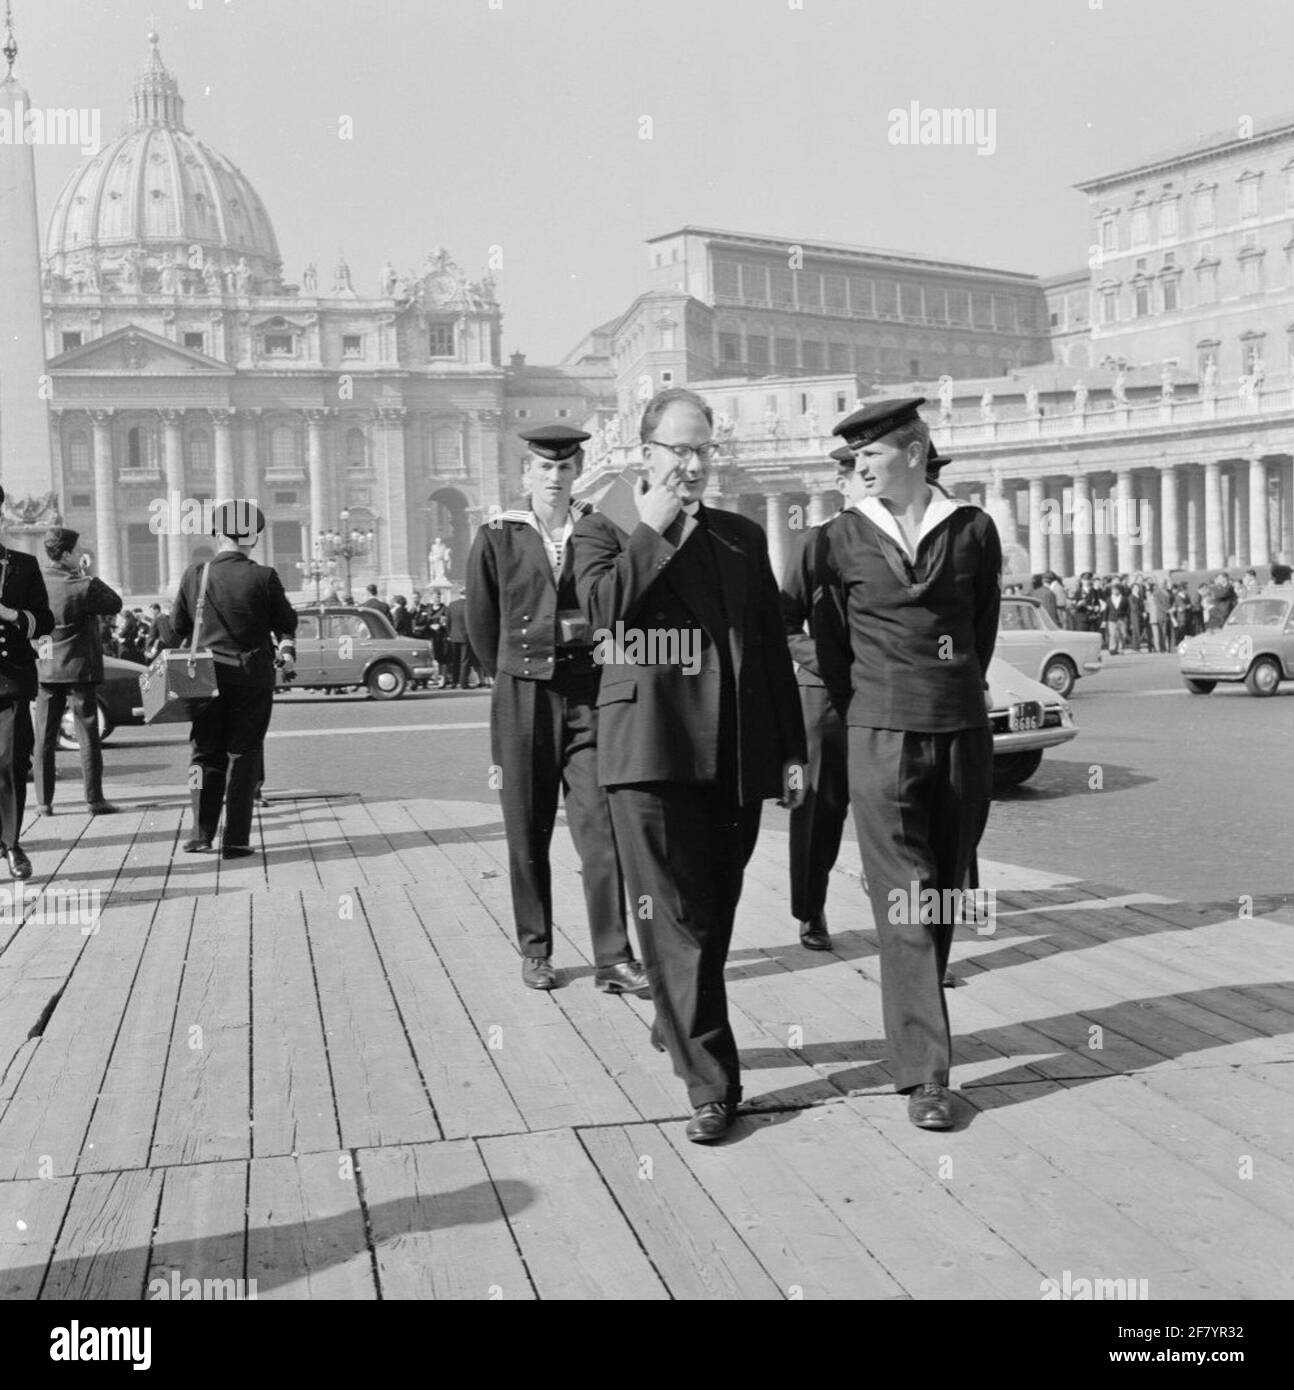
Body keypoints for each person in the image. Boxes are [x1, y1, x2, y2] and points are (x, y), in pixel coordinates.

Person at [571, 387, 806, 1144]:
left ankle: (678, 1019)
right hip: (648, 752)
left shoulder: (739, 536)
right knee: (673, 924)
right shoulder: (604, 530)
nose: (695, 465)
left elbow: (769, 651)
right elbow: (606, 613)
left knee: (713, 913)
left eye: (705, 450)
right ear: (647, 456)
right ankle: (713, 1086)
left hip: (732, 757)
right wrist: (656, 524)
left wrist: (793, 751)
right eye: (680, 451)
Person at [813, 398, 1001, 1132]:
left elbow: (979, 628)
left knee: (947, 889)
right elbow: (825, 636)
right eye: (854, 454)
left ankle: (918, 1038)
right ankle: (926, 1075)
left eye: (872, 452)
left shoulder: (972, 530)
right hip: (880, 735)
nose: (859, 464)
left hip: (959, 732)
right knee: (907, 900)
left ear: (916, 452)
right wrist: (868, 702)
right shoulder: (837, 538)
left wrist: (950, 685)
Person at [466, 424, 647, 996]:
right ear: (527, 473)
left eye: (565, 468)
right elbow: (481, 625)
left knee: (602, 829)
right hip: (524, 695)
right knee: (528, 828)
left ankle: (613, 957)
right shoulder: (498, 535)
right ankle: (536, 949)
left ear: (576, 472)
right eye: (544, 468)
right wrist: (520, 667)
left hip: (588, 692)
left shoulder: (599, 529)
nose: (555, 477)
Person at [170, 502, 297, 858]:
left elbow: (179, 626)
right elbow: (286, 622)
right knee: (243, 756)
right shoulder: (264, 576)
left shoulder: (196, 573)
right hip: (250, 676)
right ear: (253, 537)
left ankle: (199, 833)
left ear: (218, 534)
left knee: (202, 753)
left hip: (203, 677)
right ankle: (236, 840)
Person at [780, 447, 857, 952]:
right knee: (817, 809)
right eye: (855, 473)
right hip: (827, 701)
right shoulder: (817, 542)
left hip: (890, 700)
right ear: (843, 482)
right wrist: (837, 667)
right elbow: (783, 623)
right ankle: (811, 909)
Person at [33, 528, 123, 816]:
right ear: (69, 553)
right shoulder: (81, 584)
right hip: (79, 671)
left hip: (47, 669)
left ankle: (44, 802)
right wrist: (88, 574)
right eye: (79, 549)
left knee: (44, 738)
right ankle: (94, 799)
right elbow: (114, 603)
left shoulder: (35, 583)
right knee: (87, 736)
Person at [0, 491, 56, 879]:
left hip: (10, 678)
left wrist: (12, 614)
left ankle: (11, 844)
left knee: (12, 760)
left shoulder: (22, 564)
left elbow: (46, 620)